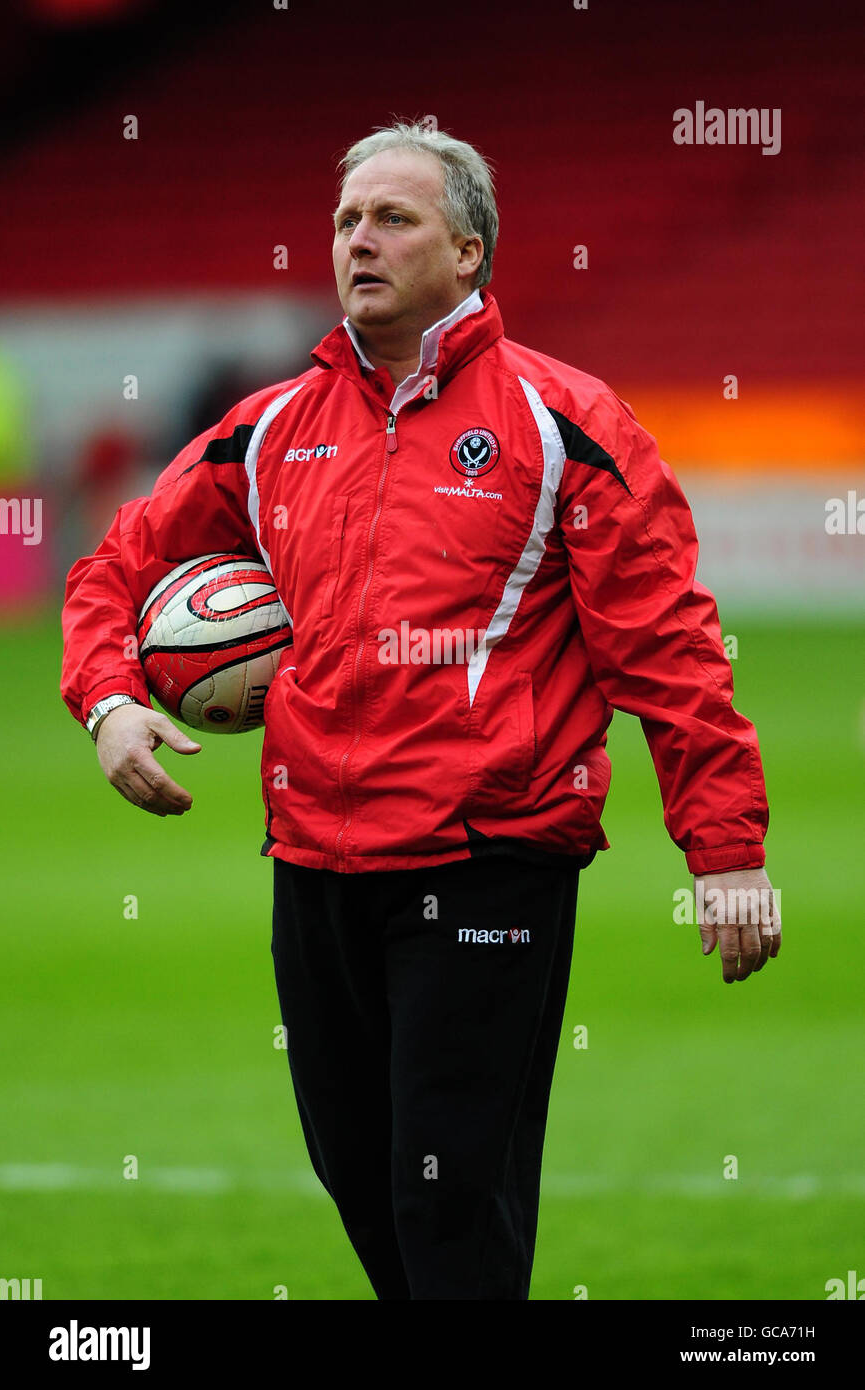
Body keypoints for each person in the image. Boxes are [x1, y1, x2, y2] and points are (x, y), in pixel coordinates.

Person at [61, 120, 781, 1301]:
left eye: (392, 218)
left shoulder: (567, 425)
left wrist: (725, 850)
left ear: (468, 253)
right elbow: (112, 569)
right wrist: (108, 701)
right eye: (345, 219)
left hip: (487, 860)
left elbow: (669, 653)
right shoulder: (270, 427)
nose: (358, 240)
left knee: (447, 1209)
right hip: (312, 863)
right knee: (362, 1185)